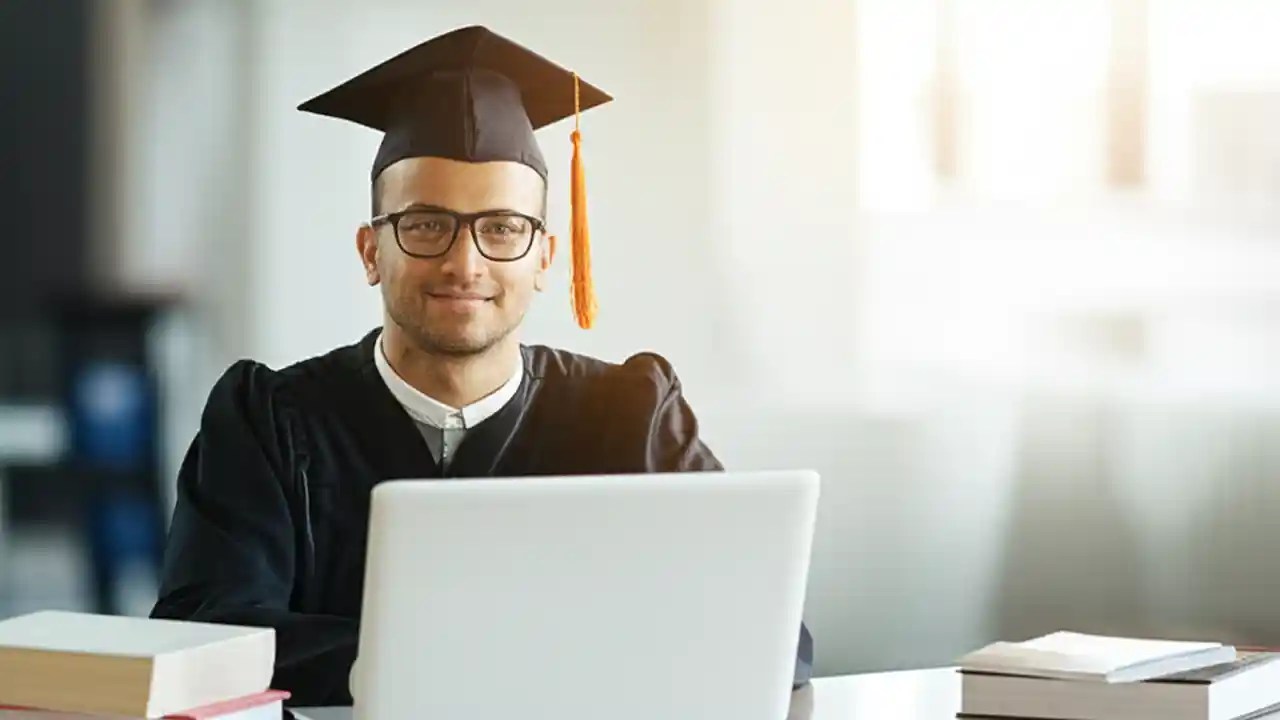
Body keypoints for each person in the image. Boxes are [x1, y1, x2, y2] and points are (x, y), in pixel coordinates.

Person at [150, 25, 813, 707]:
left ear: (546, 258)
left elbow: (772, 639)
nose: (465, 263)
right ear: (370, 250)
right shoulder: (267, 423)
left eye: (502, 228)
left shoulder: (631, 415)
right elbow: (203, 637)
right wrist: (522, 657)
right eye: (426, 223)